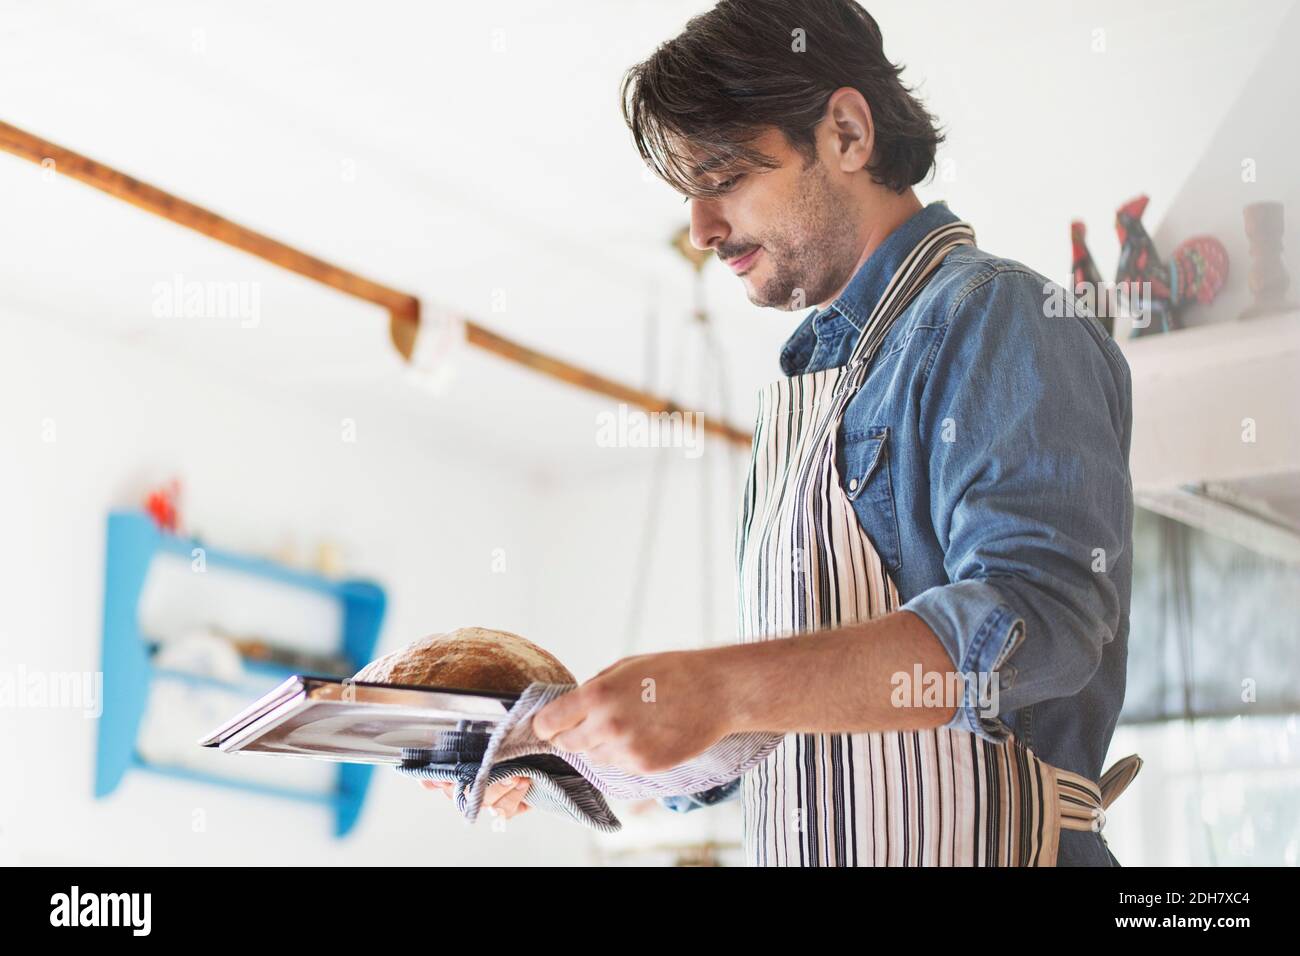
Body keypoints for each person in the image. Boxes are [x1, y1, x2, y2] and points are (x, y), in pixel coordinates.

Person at [442, 0, 1137, 866]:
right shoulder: (807, 395)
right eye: (688, 194)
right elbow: (779, 730)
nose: (700, 230)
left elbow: (1041, 619)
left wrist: (723, 685)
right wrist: (562, 753)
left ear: (847, 132)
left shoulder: (997, 313)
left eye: (724, 176)